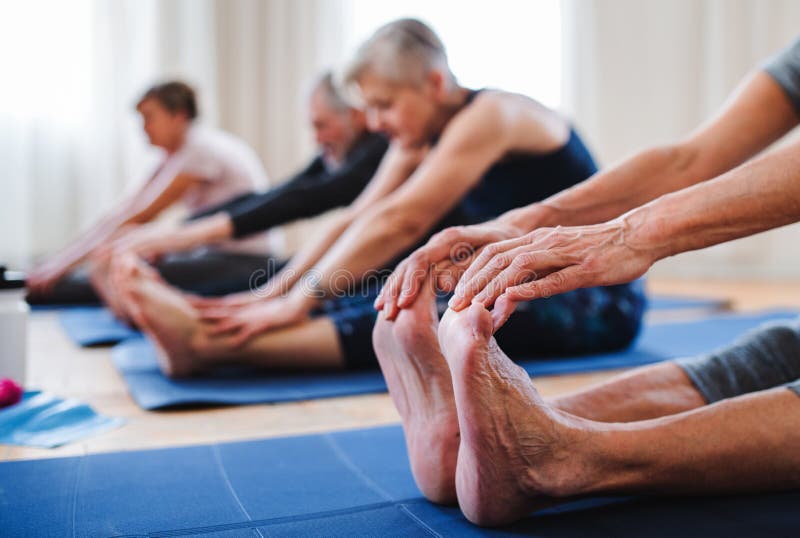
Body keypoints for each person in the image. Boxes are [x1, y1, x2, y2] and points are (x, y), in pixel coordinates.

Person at [373, 36, 800, 526]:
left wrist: (632, 234)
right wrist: (523, 224)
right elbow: (692, 158)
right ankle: (464, 444)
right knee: (777, 352)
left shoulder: (490, 112)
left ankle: (566, 458)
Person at [112, 18, 643, 379]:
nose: (375, 122)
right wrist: (270, 294)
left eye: (385, 105)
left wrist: (296, 304)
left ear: (434, 82)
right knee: (378, 287)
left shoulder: (494, 115)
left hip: (591, 296)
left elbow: (403, 221)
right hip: (505, 276)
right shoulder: (416, 135)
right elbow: (364, 215)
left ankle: (207, 347)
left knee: (422, 309)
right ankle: (219, 336)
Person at [93, 72, 388, 317]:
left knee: (305, 283)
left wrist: (176, 237)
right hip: (235, 257)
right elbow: (281, 194)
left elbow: (303, 200)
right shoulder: (341, 152)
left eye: (321, 125)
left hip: (246, 259)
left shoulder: (379, 149)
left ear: (355, 116)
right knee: (293, 273)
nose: (316, 138)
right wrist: (178, 233)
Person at [26, 80, 271, 305]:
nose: (144, 128)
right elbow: (122, 212)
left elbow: (141, 216)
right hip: (211, 254)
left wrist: (61, 267)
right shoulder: (173, 157)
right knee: (105, 267)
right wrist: (58, 261)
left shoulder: (201, 149)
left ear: (179, 116)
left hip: (243, 261)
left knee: (112, 276)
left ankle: (29, 289)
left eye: (149, 118)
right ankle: (35, 280)